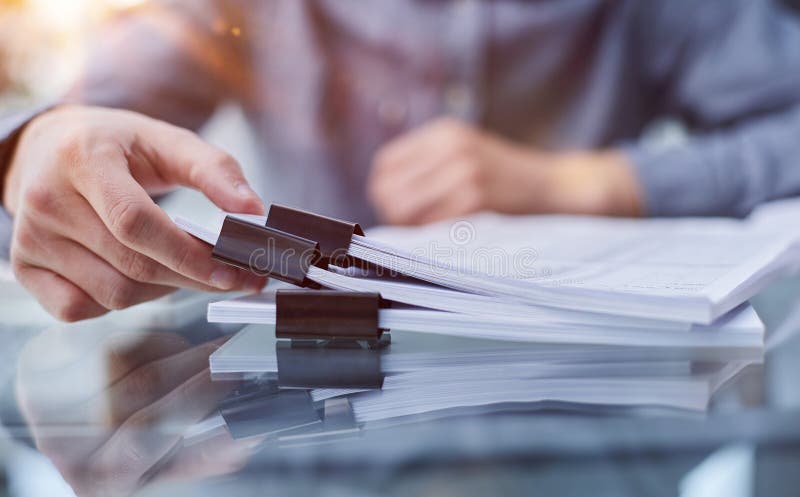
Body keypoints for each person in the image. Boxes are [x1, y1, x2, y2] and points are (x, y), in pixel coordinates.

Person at [1, 0, 800, 322]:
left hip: (597, 421)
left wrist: (586, 184)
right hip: (310, 417)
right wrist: (29, 151)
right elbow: (70, 128)